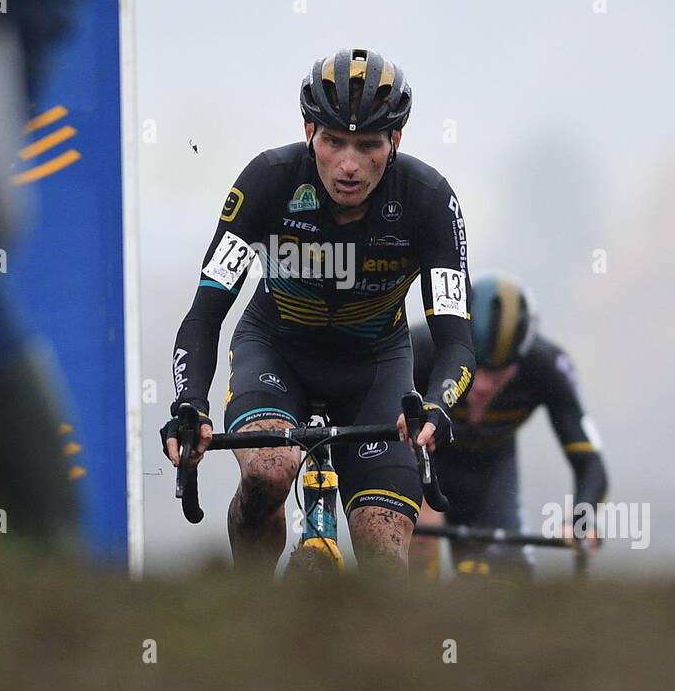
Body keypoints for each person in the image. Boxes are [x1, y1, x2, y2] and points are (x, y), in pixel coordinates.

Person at [161, 48, 475, 576]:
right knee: (268, 472)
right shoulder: (268, 181)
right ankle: (250, 606)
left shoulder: (429, 201)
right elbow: (205, 313)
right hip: (276, 351)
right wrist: (189, 403)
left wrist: (440, 406)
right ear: (309, 132)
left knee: (384, 554)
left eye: (368, 144)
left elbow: (456, 339)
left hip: (375, 369)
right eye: (333, 142)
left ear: (394, 142)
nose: (349, 165)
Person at [410, 276, 609, 579]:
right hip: (423, 462)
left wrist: (582, 518)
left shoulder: (547, 367)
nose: (483, 386)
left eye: (500, 372)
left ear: (522, 360)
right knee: (418, 540)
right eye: (475, 365)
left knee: (507, 584)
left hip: (491, 474)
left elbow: (589, 462)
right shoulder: (421, 349)